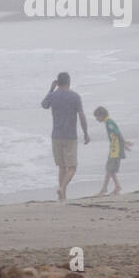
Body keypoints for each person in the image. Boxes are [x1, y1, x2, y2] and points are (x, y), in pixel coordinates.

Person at [41, 72, 88, 201]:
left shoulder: (53, 96)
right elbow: (81, 116)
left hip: (56, 135)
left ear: (58, 82)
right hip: (70, 136)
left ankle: (63, 196)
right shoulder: (75, 97)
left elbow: (44, 105)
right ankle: (62, 189)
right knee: (72, 167)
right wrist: (85, 133)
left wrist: (51, 89)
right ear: (69, 82)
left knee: (62, 167)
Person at [93, 106, 131, 196]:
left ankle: (104, 189)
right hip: (114, 148)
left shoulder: (109, 122)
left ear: (101, 115)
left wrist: (124, 143)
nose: (96, 119)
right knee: (110, 169)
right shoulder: (108, 122)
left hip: (115, 149)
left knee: (109, 169)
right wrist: (123, 144)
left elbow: (117, 133)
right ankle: (117, 186)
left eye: (97, 117)